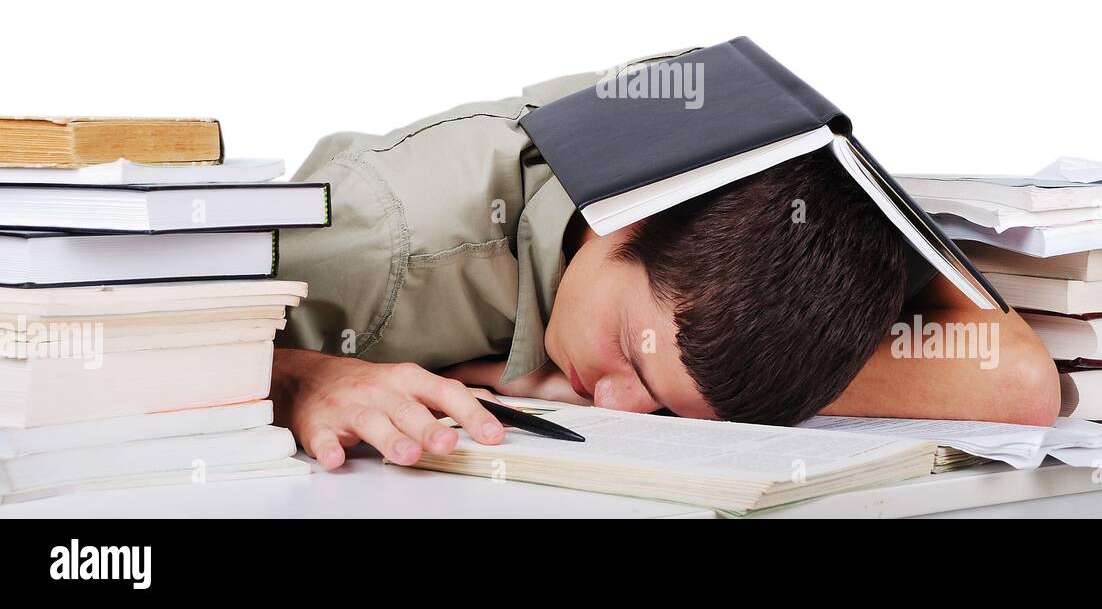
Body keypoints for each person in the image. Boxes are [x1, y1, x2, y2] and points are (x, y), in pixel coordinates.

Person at [273, 50, 1060, 470]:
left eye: (657, 401)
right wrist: (301, 379)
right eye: (631, 359)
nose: (617, 405)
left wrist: (768, 371)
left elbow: (1019, 380)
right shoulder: (385, 236)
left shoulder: (788, 195)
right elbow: (149, 324)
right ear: (625, 213)